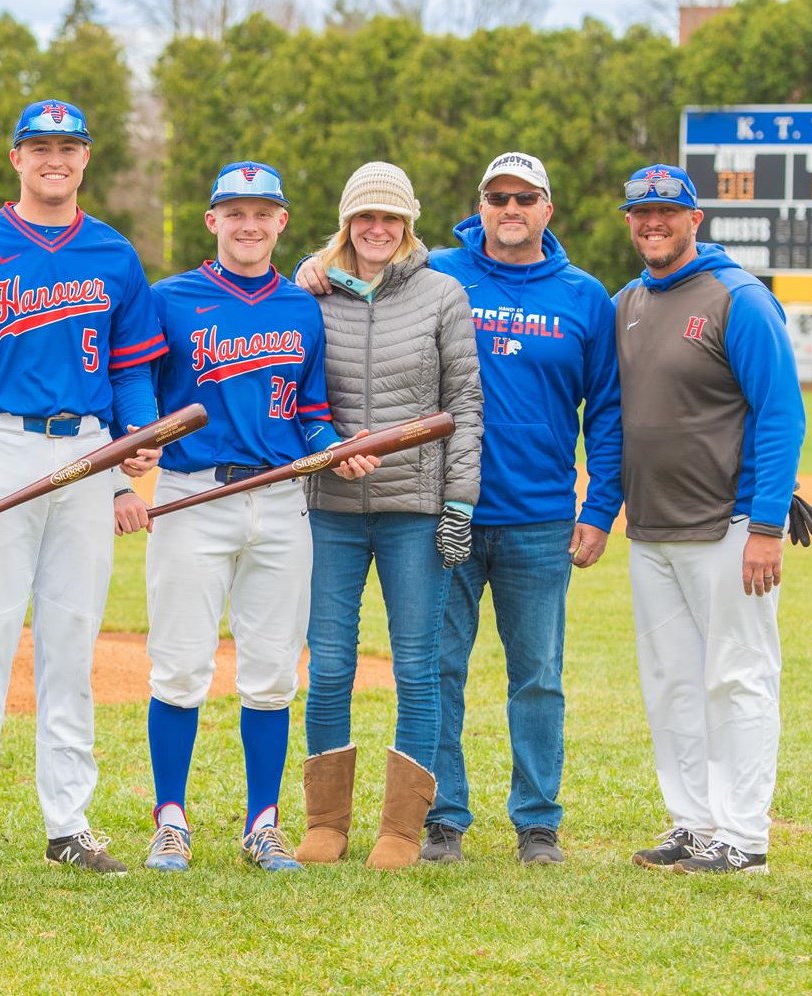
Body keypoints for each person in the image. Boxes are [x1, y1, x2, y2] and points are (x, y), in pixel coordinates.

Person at [0, 98, 167, 878]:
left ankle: (69, 824)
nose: (54, 160)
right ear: (17, 159)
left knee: (71, 638)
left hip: (89, 450)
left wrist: (137, 439)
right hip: (0, 442)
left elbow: (131, 371)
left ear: (86, 157)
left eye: (68, 147)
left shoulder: (113, 252)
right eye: (40, 147)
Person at [140, 162, 378, 876]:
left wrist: (334, 448)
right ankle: (171, 821)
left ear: (281, 221)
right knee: (180, 666)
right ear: (212, 220)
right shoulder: (170, 299)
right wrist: (136, 444)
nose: (249, 225)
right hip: (194, 494)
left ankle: (263, 825)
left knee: (272, 673)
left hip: (280, 501)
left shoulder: (302, 308)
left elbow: (310, 410)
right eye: (235, 212)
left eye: (262, 212)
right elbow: (139, 388)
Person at [419, 152, 623, 866]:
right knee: (438, 670)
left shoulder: (584, 296)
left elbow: (608, 411)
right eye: (498, 197)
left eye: (525, 198)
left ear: (547, 209)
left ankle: (537, 823)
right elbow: (358, 259)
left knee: (537, 676)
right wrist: (314, 270)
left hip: (539, 518)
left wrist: (600, 506)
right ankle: (442, 818)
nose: (511, 209)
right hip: (444, 510)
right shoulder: (436, 272)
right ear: (479, 205)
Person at [613, 165, 805, 875]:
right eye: (641, 212)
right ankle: (693, 823)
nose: (653, 222)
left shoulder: (739, 298)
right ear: (629, 221)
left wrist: (766, 526)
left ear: (695, 219)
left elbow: (781, 413)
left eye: (667, 210)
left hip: (729, 526)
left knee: (739, 677)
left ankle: (743, 837)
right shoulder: (628, 301)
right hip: (652, 528)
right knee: (672, 683)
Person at [290, 161, 482, 868]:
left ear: (408, 224)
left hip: (415, 511)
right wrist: (326, 452)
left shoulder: (443, 294)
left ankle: (401, 829)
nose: (378, 229)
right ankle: (326, 824)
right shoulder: (310, 293)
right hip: (332, 508)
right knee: (331, 665)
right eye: (365, 217)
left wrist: (459, 502)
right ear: (347, 224)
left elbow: (465, 404)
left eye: (391, 218)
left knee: (417, 669)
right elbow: (293, 393)